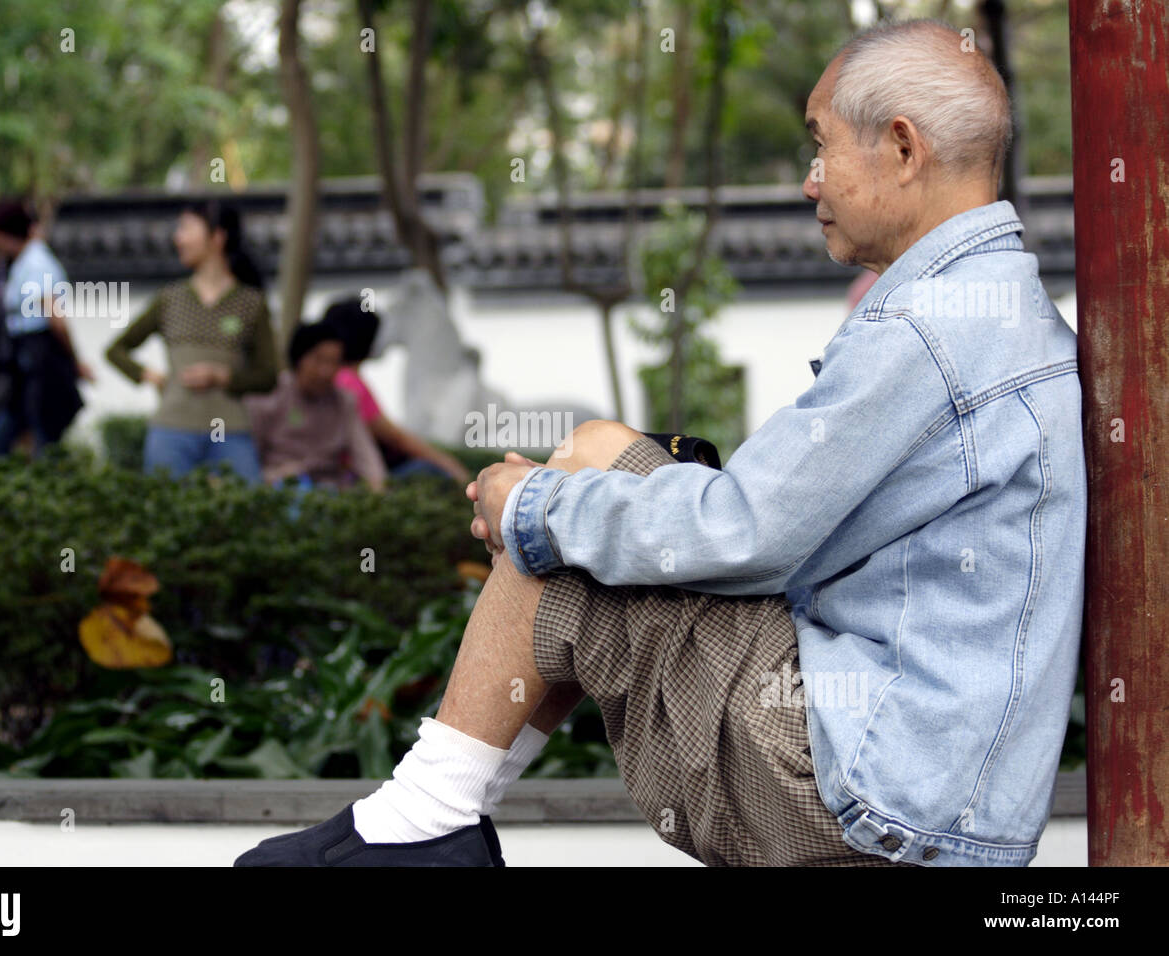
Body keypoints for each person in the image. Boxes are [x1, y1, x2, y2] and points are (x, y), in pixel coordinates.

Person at [236, 18, 1085, 867]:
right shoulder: (985, 303)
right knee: (600, 450)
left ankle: (422, 823)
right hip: (929, 778)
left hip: (879, 797)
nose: (806, 181)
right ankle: (431, 820)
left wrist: (529, 505)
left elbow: (749, 533)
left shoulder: (931, 327)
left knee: (557, 553)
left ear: (902, 148)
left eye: (821, 148)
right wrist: (575, 493)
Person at [105, 201, 277, 483]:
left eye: (186, 228)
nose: (178, 238)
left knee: (247, 511)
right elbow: (116, 350)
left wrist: (223, 377)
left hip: (230, 429)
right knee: (166, 512)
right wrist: (151, 377)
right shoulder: (170, 299)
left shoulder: (250, 303)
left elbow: (269, 375)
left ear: (217, 237)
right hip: (172, 428)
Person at [321, 295, 471, 484]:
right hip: (358, 474)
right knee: (431, 474)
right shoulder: (349, 382)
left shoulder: (336, 378)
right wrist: (449, 464)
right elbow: (395, 437)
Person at [0, 199, 91, 457]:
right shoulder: (21, 262)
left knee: (36, 428)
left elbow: (55, 317)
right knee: (20, 426)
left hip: (39, 356)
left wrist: (74, 359)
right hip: (25, 357)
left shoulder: (37, 262)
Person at [247, 320, 386, 493]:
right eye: (318, 360)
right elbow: (250, 453)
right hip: (281, 484)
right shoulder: (270, 396)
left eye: (333, 362)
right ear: (299, 359)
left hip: (329, 487)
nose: (325, 371)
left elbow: (365, 454)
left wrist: (377, 487)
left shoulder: (344, 402)